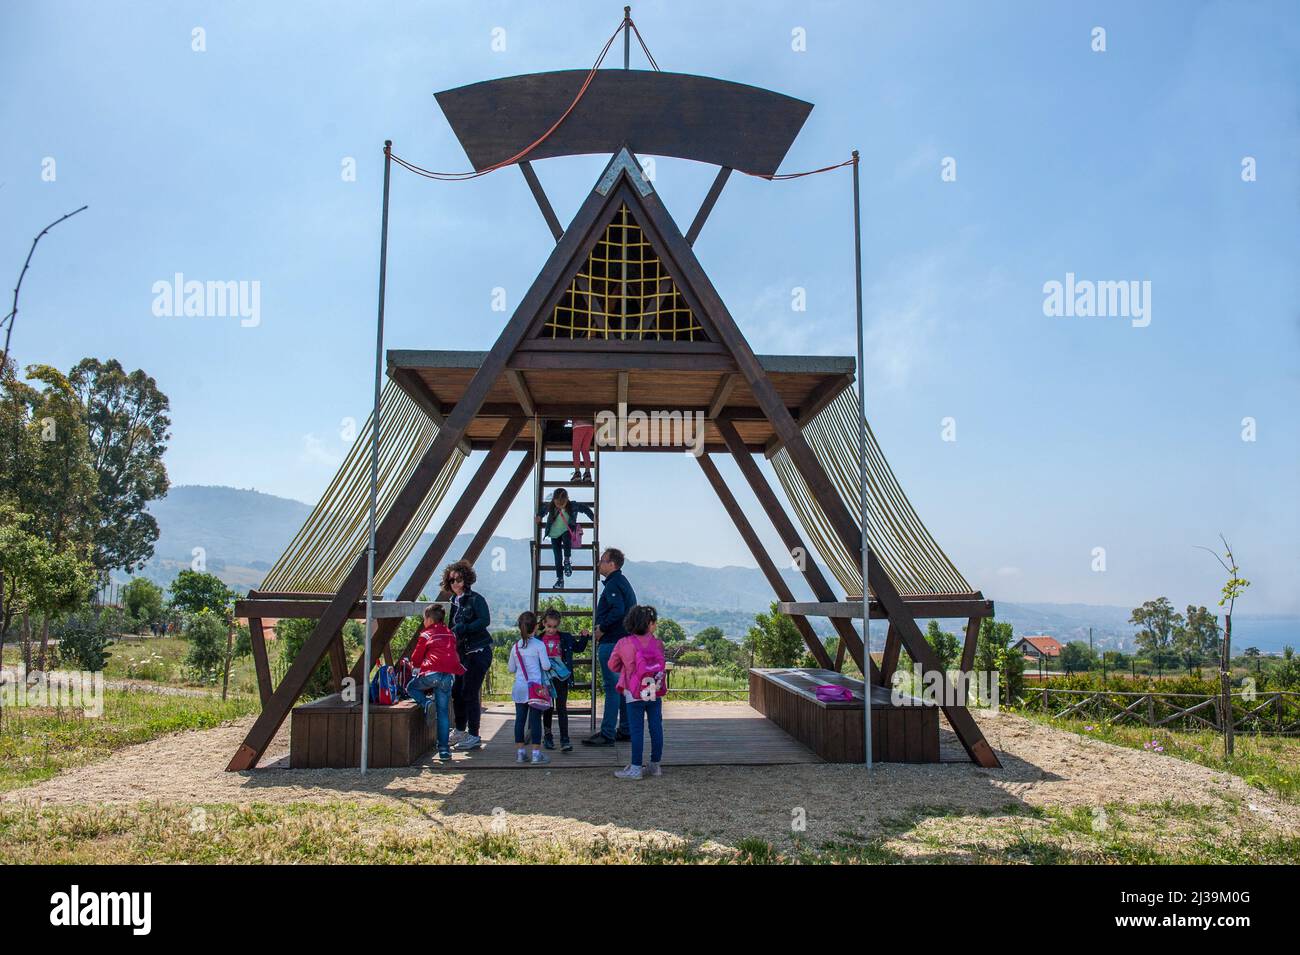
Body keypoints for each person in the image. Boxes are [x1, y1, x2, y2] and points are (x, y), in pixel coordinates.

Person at [582, 547, 637, 747]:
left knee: (613, 688)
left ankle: (607, 734)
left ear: (611, 564)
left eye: (602, 561)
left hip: (612, 642)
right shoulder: (622, 582)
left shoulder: (613, 584)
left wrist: (601, 629)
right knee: (622, 687)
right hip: (625, 642)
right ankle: (625, 729)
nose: (598, 564)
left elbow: (618, 610)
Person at [608, 604, 666, 780]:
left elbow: (612, 665)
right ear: (649, 624)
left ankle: (635, 768)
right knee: (656, 727)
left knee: (636, 730)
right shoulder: (658, 644)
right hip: (653, 689)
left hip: (633, 692)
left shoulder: (623, 643)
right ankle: (655, 765)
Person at [405, 604, 464, 761]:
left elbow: (417, 657)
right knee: (443, 712)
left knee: (411, 687)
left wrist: (415, 668)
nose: (424, 621)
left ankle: (426, 704)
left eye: (424, 618)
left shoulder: (426, 634)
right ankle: (444, 750)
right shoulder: (450, 634)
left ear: (429, 619)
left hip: (432, 673)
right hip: (448, 677)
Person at [445, 560, 491, 751]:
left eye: (458, 579)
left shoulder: (476, 599)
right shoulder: (453, 603)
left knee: (470, 692)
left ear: (466, 579)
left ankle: (473, 735)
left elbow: (485, 620)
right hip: (462, 654)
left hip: (478, 651)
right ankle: (460, 730)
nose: (455, 583)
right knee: (457, 692)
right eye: (452, 580)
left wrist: (466, 628)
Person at [538, 607, 591, 752]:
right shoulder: (537, 640)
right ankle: (548, 736)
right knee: (548, 707)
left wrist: (584, 637)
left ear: (558, 625)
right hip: (545, 678)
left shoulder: (565, 638)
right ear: (544, 623)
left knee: (561, 707)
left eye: (555, 627)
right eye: (549, 626)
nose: (551, 630)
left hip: (561, 677)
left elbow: (578, 648)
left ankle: (564, 738)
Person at [507, 611, 553, 765]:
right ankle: (536, 754)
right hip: (535, 689)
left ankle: (520, 753)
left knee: (519, 720)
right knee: (535, 721)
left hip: (519, 687)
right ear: (535, 628)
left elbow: (511, 669)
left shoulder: (516, 646)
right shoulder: (539, 645)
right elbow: (546, 666)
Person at [536, 487, 594, 591]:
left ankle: (567, 559)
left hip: (566, 531)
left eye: (562, 504)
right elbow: (543, 511)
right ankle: (560, 579)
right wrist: (539, 516)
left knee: (567, 538)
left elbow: (585, 509)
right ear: (553, 500)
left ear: (567, 500)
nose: (559, 506)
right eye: (557, 504)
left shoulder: (573, 506)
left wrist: (594, 518)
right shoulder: (551, 506)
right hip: (554, 534)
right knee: (557, 557)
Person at [570, 418, 594, 483]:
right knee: (585, 450)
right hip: (590, 426)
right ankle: (587, 473)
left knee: (576, 450)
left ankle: (577, 473)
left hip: (578, 425)